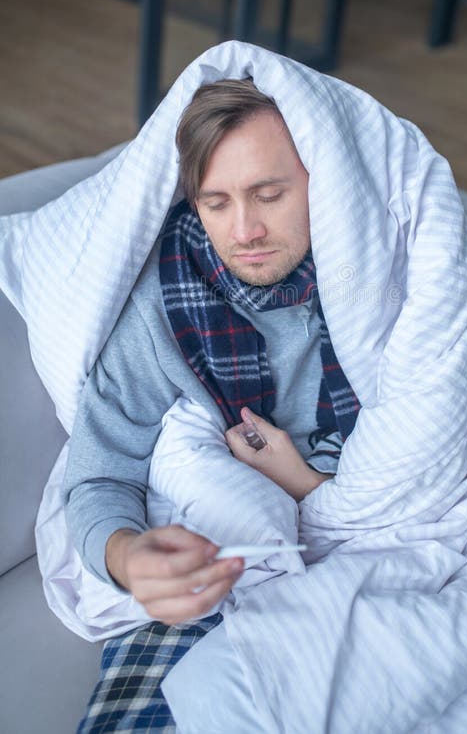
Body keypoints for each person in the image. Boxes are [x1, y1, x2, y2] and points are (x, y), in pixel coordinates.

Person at [63, 78, 356, 727]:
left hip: (364, 555)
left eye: (270, 194)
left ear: (322, 178)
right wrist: (126, 558)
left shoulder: (374, 277)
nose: (245, 231)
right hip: (225, 574)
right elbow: (98, 472)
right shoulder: (162, 311)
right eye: (216, 203)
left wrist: (303, 484)